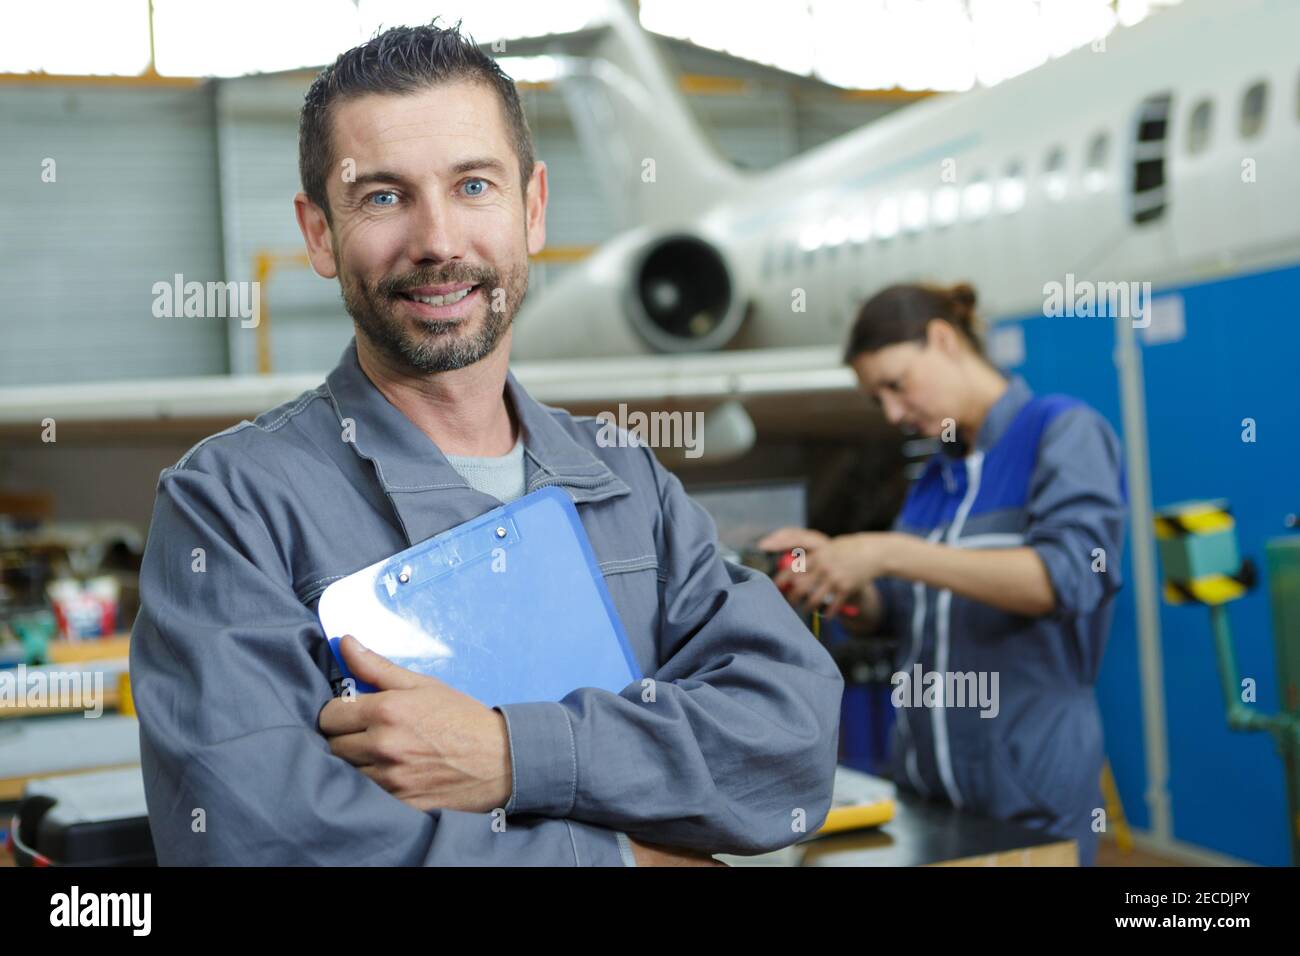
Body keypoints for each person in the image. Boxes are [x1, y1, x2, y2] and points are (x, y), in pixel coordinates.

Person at [129, 23, 842, 867]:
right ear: (319, 233)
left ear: (532, 208)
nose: (437, 242)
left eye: (473, 185)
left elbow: (788, 746)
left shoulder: (625, 482)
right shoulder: (231, 506)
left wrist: (509, 754)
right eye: (383, 197)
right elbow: (260, 842)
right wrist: (625, 857)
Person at [761, 282, 1125, 865]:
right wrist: (849, 586)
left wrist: (886, 552)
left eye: (896, 385)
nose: (893, 413)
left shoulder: (1062, 433)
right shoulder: (938, 476)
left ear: (942, 340)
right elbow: (908, 607)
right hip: (927, 790)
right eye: (876, 398)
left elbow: (1068, 577)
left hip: (1029, 792)